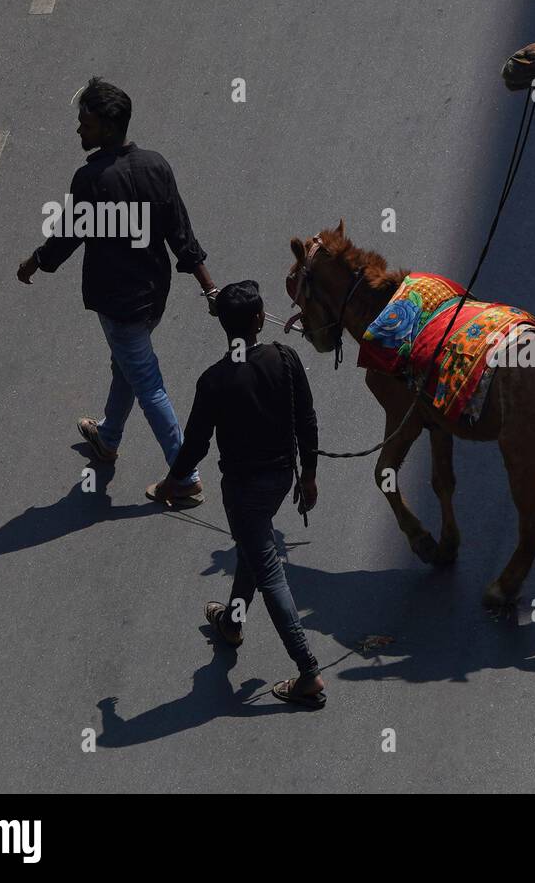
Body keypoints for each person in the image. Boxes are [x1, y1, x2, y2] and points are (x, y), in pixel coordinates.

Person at [17, 76, 217, 505]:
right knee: (126, 365)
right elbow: (181, 233)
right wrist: (208, 286)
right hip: (153, 296)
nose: (78, 131)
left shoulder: (90, 179)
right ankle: (107, 437)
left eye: (85, 124)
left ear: (107, 128)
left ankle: (185, 476)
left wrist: (35, 261)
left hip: (118, 303)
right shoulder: (156, 166)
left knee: (148, 384)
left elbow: (68, 235)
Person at [151, 281, 326, 710]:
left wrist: (172, 482)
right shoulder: (286, 358)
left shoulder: (213, 381)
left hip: (243, 491)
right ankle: (232, 621)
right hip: (281, 481)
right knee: (255, 547)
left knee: (268, 571)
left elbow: (194, 445)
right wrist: (309, 478)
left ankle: (309, 672)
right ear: (256, 321)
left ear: (225, 327)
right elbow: (307, 421)